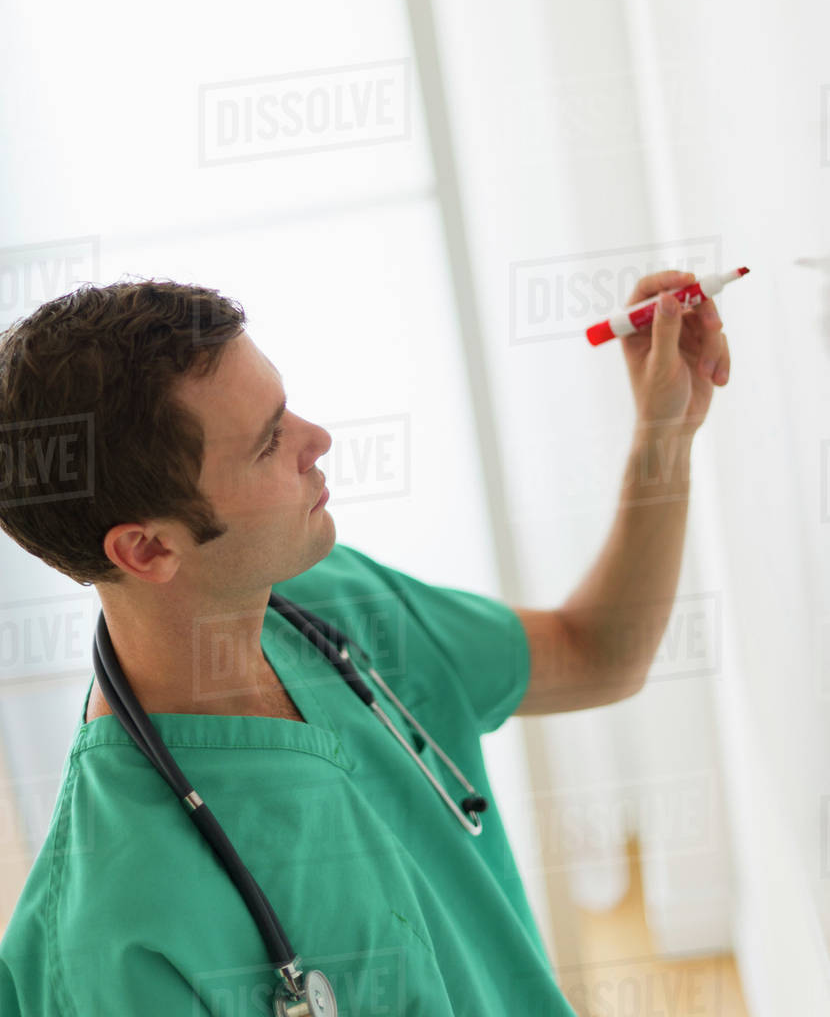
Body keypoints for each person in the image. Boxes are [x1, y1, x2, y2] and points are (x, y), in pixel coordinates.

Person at [0, 273, 730, 1014]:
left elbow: (596, 655)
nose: (317, 441)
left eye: (285, 410)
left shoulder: (333, 601)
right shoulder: (109, 935)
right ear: (148, 550)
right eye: (267, 444)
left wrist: (665, 433)